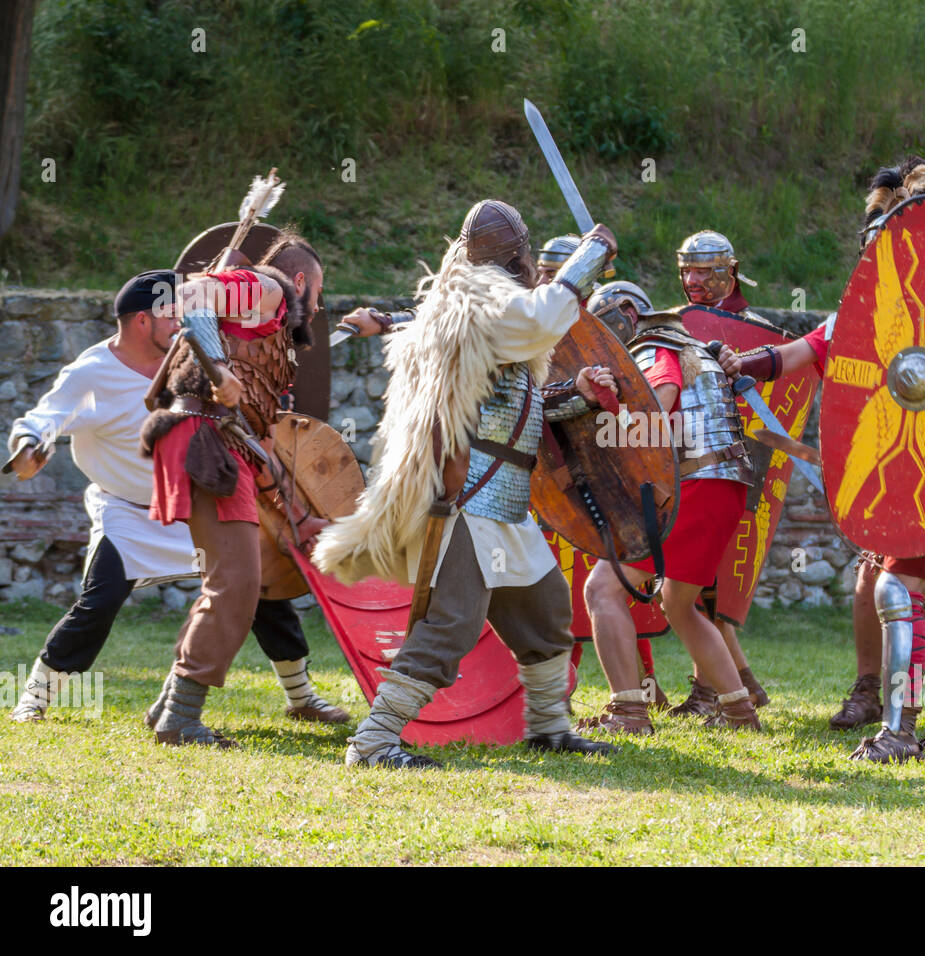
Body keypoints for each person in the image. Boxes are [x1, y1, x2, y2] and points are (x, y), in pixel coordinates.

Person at [312, 199, 618, 768]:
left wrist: (578, 395)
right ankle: (374, 740)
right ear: (517, 259)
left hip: (501, 502)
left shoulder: (475, 315)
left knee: (548, 613)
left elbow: (513, 410)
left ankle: (550, 728)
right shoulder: (482, 312)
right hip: (467, 497)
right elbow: (540, 318)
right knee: (449, 623)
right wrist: (592, 254)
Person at [720, 157, 925, 757]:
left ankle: (898, 733)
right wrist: (743, 364)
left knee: (896, 593)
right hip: (897, 473)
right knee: (918, 602)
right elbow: (800, 352)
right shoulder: (862, 313)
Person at [6, 269, 346, 726]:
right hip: (129, 511)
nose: (184, 321)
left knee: (260, 587)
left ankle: (301, 696)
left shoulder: (196, 358)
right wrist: (28, 448)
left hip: (197, 501)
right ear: (142, 321)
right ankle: (36, 697)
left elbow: (266, 362)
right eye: (172, 315)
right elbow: (43, 417)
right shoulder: (92, 372)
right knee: (99, 601)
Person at [139, 233, 326, 747]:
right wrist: (217, 368)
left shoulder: (265, 328)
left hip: (221, 444)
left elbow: (258, 433)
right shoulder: (268, 288)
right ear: (302, 280)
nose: (319, 306)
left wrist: (293, 512)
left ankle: (167, 708)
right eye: (319, 291)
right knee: (237, 586)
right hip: (205, 440)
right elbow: (193, 294)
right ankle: (181, 718)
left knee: (230, 583)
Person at [580, 280, 761, 735]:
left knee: (602, 588)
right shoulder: (688, 344)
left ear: (626, 314)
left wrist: (608, 407)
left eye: (607, 328)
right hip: (721, 486)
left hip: (696, 484)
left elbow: (653, 418)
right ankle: (740, 712)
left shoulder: (653, 347)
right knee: (677, 603)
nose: (608, 341)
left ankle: (629, 713)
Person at [668, 230, 772, 716]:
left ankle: (725, 690)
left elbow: (767, 400)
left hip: (738, 463)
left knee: (708, 586)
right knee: (698, 584)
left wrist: (739, 364)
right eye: (688, 270)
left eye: (705, 271)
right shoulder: (678, 325)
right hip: (694, 464)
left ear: (729, 271)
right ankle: (732, 686)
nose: (694, 280)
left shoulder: (752, 329)